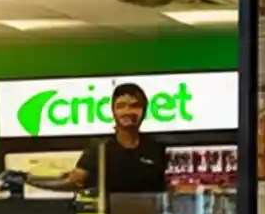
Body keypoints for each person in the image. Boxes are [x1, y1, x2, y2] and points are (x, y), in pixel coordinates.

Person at [22, 83, 168, 195]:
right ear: (113, 111)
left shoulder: (155, 148)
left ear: (144, 110)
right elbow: (70, 183)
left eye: (134, 106)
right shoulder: (99, 148)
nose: (127, 112)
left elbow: (166, 189)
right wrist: (28, 179)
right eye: (121, 106)